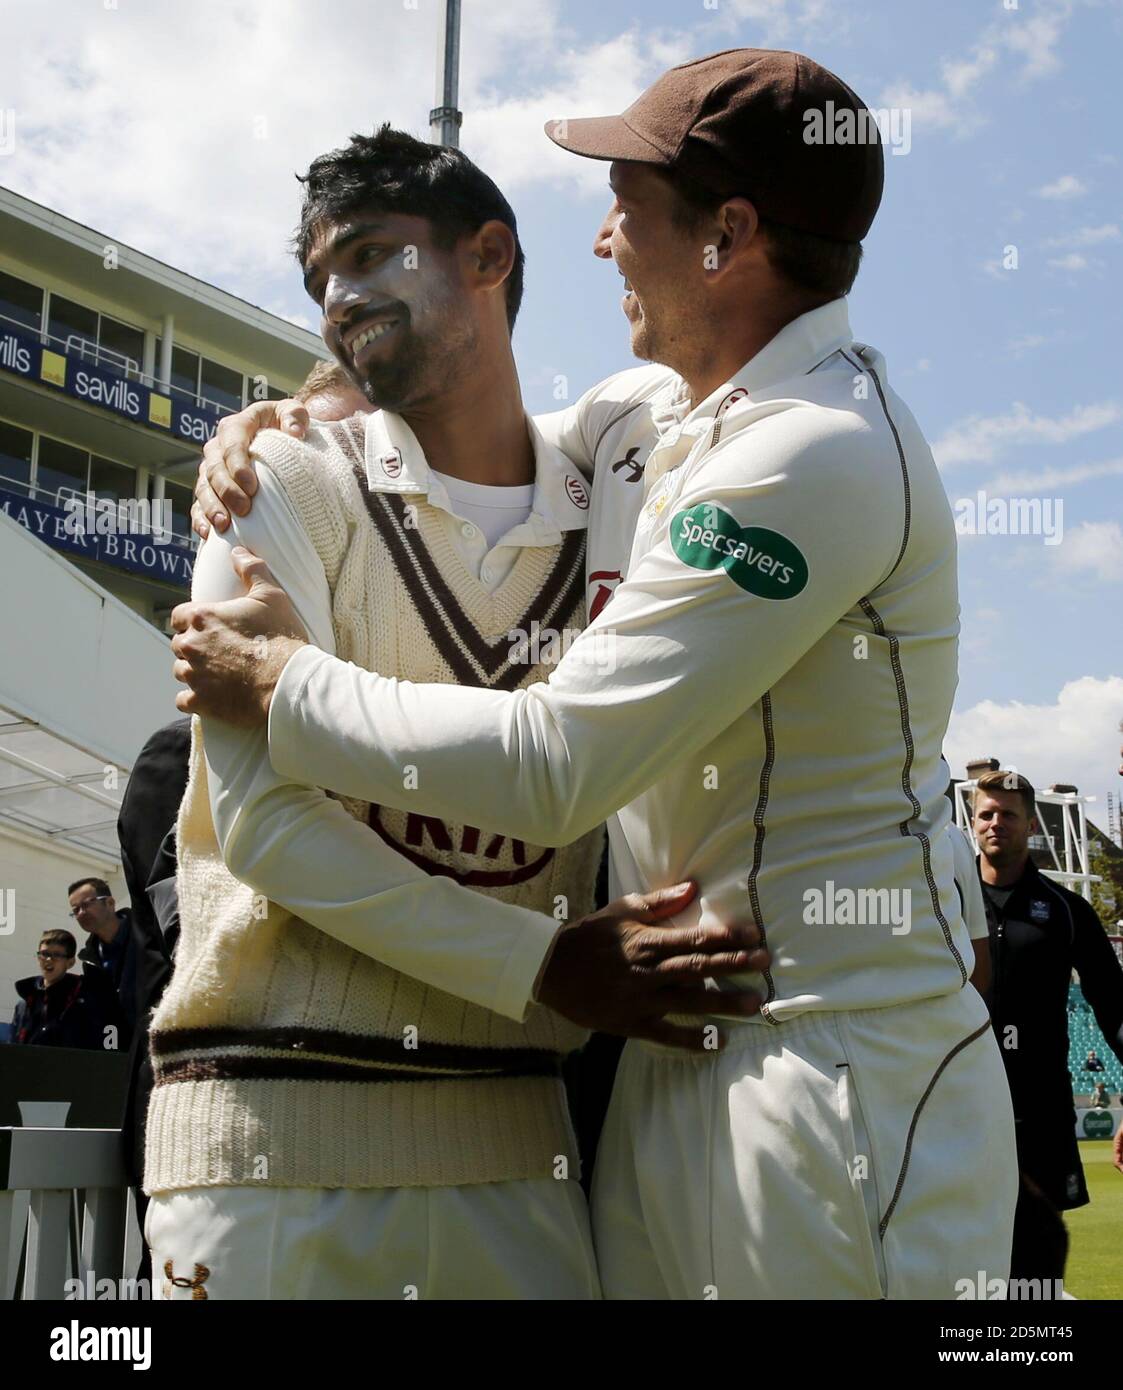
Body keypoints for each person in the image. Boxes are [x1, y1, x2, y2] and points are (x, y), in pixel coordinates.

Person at [179, 48, 1016, 1299]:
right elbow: (467, 422)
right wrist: (294, 403)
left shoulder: (813, 449)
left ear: (728, 235)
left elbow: (556, 764)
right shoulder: (660, 420)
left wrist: (282, 681)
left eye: (628, 206)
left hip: (832, 1059)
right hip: (662, 1058)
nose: (604, 240)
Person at [148, 126, 764, 1301]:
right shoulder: (272, 483)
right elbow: (270, 827)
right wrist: (540, 966)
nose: (339, 295)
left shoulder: (618, 470)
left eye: (374, 253)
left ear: (490, 255)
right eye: (322, 276)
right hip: (270, 1143)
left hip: (520, 1149)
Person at [972, 768, 1123, 1287]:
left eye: (1008, 815)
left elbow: (1116, 1008)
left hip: (1040, 1112)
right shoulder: (940, 904)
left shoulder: (1066, 910)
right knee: (951, 1249)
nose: (996, 824)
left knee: (1035, 1260)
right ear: (972, 823)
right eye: (985, 814)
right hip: (956, 1107)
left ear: (1030, 823)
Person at [10, 929, 121, 1049]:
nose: (48, 960)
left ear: (70, 963)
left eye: (56, 955)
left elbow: (105, 1044)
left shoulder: (86, 1002)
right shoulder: (24, 1005)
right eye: (44, 954)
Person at [70, 876, 137, 1044]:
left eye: (86, 905)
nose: (81, 913)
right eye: (75, 910)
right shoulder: (89, 960)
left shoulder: (147, 936)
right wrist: (111, 1049)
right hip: (122, 1052)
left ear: (110, 902)